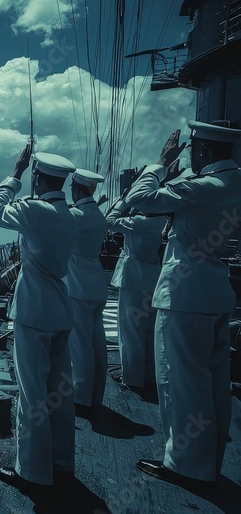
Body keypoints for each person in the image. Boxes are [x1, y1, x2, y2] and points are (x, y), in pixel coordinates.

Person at [121, 121, 241, 494]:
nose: (188, 153)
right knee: (213, 383)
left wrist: (160, 164)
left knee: (180, 381)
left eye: (191, 148)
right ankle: (209, 460)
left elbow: (140, 199)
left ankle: (186, 464)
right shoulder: (234, 183)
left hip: (185, 296)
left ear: (202, 150)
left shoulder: (201, 187)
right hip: (217, 293)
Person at [0, 144, 77, 494]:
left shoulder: (35, 210)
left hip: (33, 313)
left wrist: (15, 173)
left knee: (32, 394)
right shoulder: (69, 214)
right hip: (60, 310)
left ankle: (33, 472)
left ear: (37, 177)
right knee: (59, 392)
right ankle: (61, 462)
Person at [105, 190, 165, 391]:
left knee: (130, 332)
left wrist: (123, 200)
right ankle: (148, 375)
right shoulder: (162, 220)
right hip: (153, 280)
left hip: (133, 282)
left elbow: (109, 221)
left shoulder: (139, 222)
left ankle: (131, 378)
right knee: (148, 332)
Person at [65, 169, 109, 418]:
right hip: (96, 283)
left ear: (76, 188)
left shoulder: (75, 215)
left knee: (80, 345)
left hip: (78, 286)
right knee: (97, 344)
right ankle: (96, 395)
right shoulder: (98, 216)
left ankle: (80, 397)